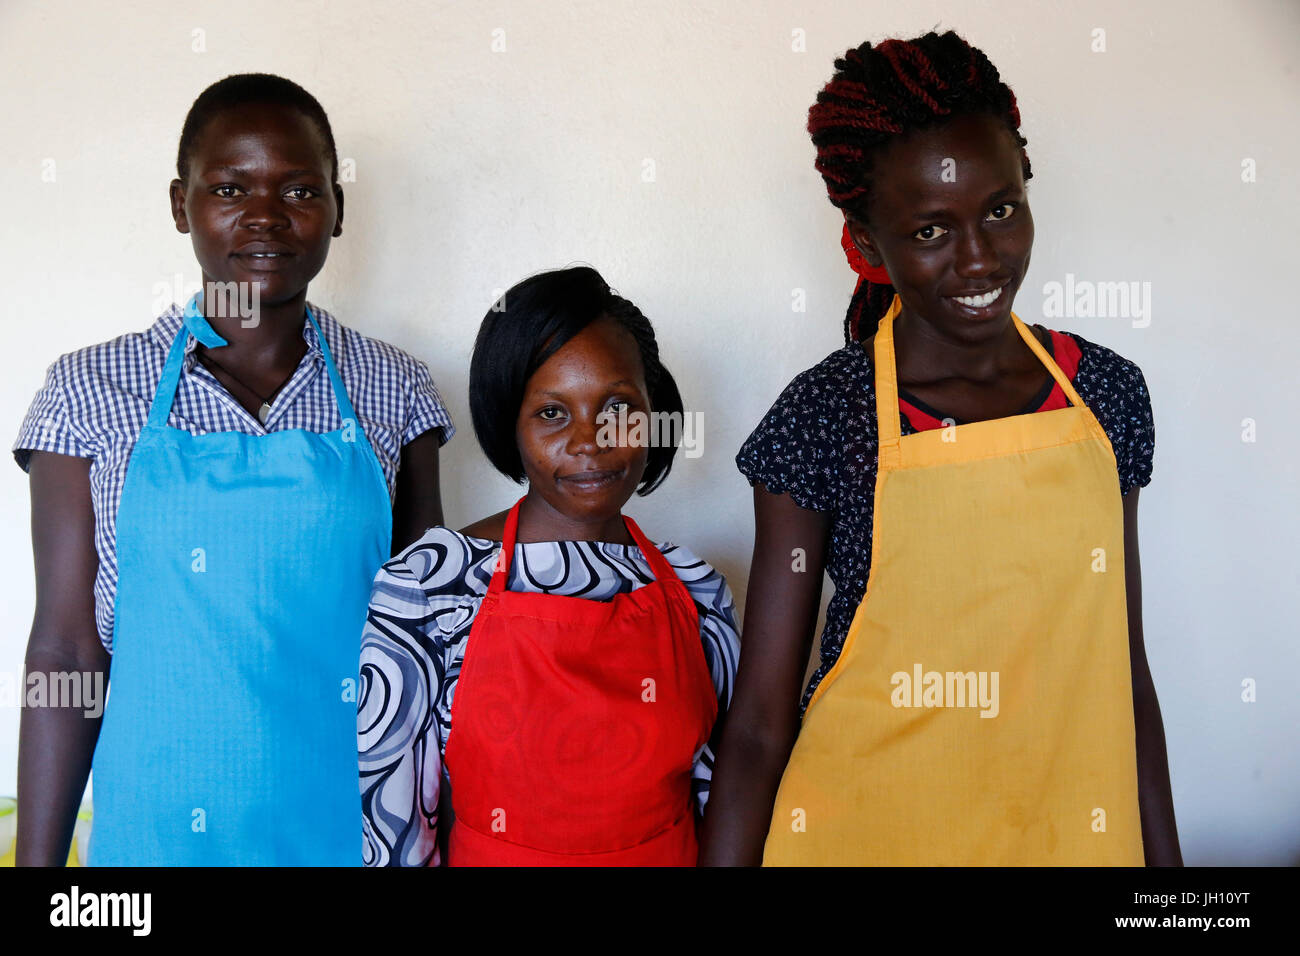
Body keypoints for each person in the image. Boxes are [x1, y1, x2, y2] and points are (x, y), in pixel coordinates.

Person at [701, 32, 1181, 866]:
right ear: (867, 242)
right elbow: (759, 727)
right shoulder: (826, 416)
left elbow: (1122, 672)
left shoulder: (1107, 397)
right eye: (930, 230)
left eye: (1001, 210)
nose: (980, 258)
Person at [13, 73, 453, 866]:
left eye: (298, 188)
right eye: (228, 187)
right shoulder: (92, 389)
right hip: (155, 843)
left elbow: (425, 635)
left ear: (336, 210)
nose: (264, 216)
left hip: (358, 833)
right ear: (180, 205)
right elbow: (67, 654)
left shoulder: (395, 388)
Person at [359, 266, 739, 866]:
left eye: (618, 407)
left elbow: (721, 797)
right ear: (510, 423)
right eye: (552, 414)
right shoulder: (430, 588)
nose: (590, 440)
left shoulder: (697, 592)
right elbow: (395, 830)